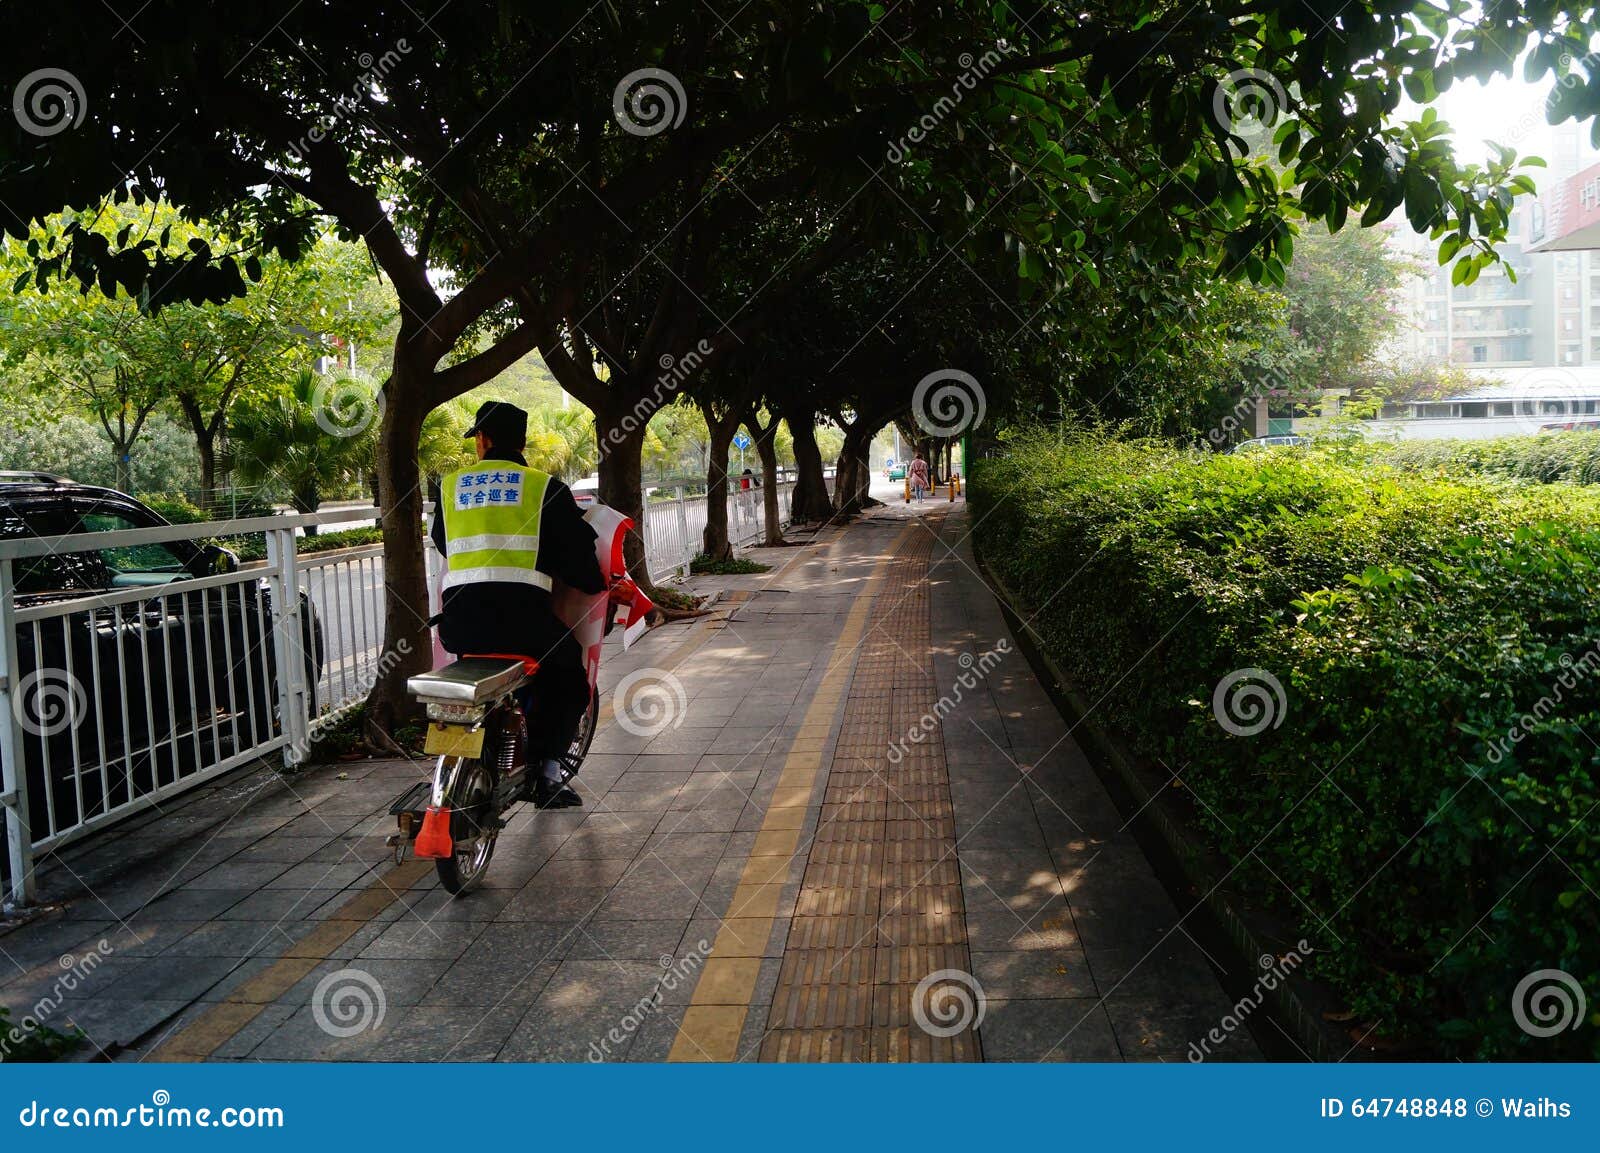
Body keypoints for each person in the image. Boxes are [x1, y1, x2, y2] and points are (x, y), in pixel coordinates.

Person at [430, 401, 606, 808]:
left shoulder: (450, 486)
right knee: (568, 680)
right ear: (522, 442)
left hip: (460, 623)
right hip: (525, 625)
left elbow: (444, 543)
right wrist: (594, 581)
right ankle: (547, 773)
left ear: (483, 439)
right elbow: (579, 561)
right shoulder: (544, 488)